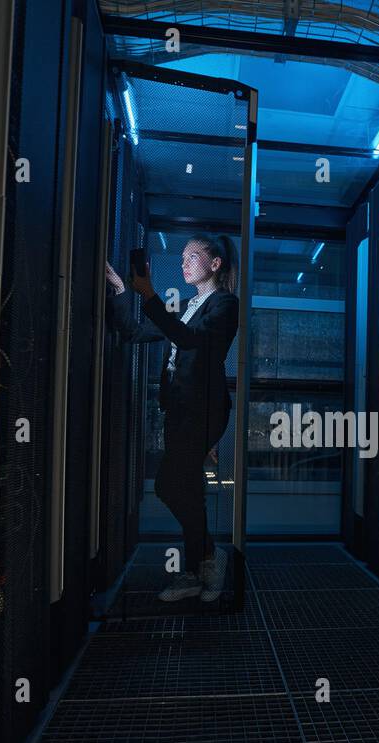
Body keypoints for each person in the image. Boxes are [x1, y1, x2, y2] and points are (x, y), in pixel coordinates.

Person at [106, 234, 239, 602]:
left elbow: (191, 339)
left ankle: (208, 557)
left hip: (203, 411)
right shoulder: (188, 305)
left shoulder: (225, 304)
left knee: (168, 485)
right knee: (189, 492)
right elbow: (133, 332)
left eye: (192, 256)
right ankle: (197, 570)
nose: (184, 263)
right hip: (179, 411)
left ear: (215, 264)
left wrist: (148, 293)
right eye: (182, 258)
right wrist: (121, 292)